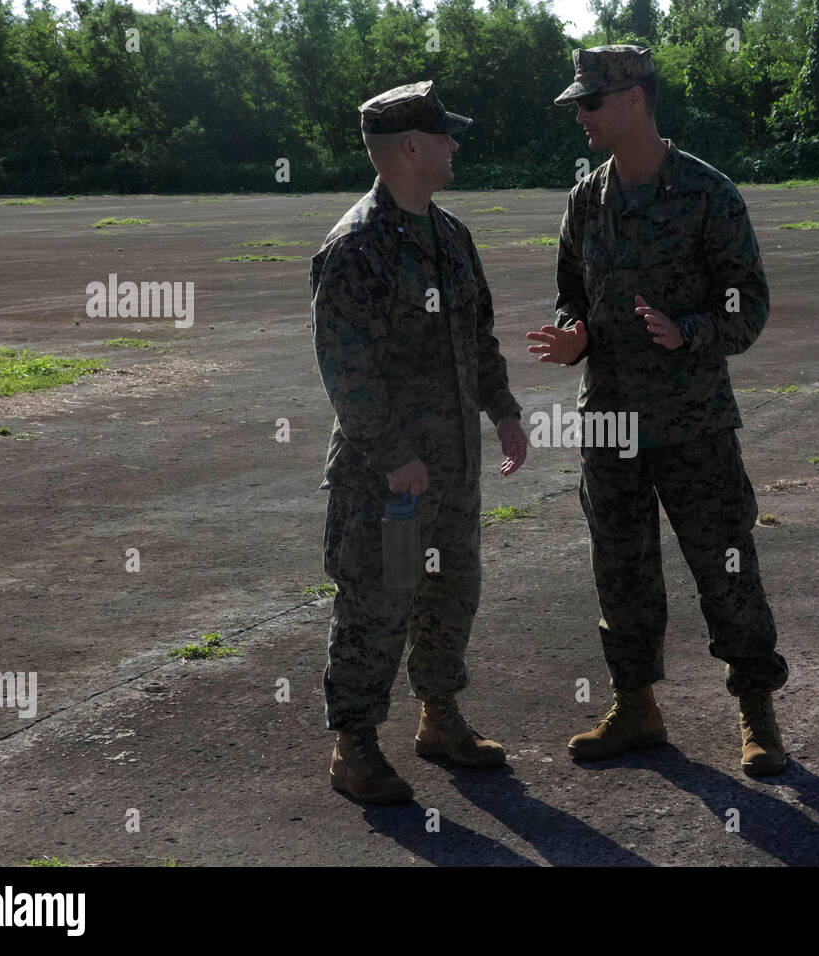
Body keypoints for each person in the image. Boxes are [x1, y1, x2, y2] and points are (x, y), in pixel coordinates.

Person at [527, 46, 789, 776]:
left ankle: (757, 712)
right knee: (621, 568)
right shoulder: (584, 201)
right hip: (608, 423)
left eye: (591, 103)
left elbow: (749, 302)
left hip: (693, 421)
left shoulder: (708, 193)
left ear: (635, 99)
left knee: (725, 565)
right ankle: (636, 707)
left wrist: (693, 331)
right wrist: (573, 334)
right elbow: (570, 292)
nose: (580, 117)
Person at [310, 80, 528, 804]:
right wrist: (394, 456)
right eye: (445, 135)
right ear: (409, 147)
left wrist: (502, 410)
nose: (456, 144)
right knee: (377, 605)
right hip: (389, 481)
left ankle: (440, 717)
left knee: (449, 593)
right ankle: (355, 745)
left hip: (453, 469)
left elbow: (479, 335)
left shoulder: (451, 235)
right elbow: (347, 370)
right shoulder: (355, 248)